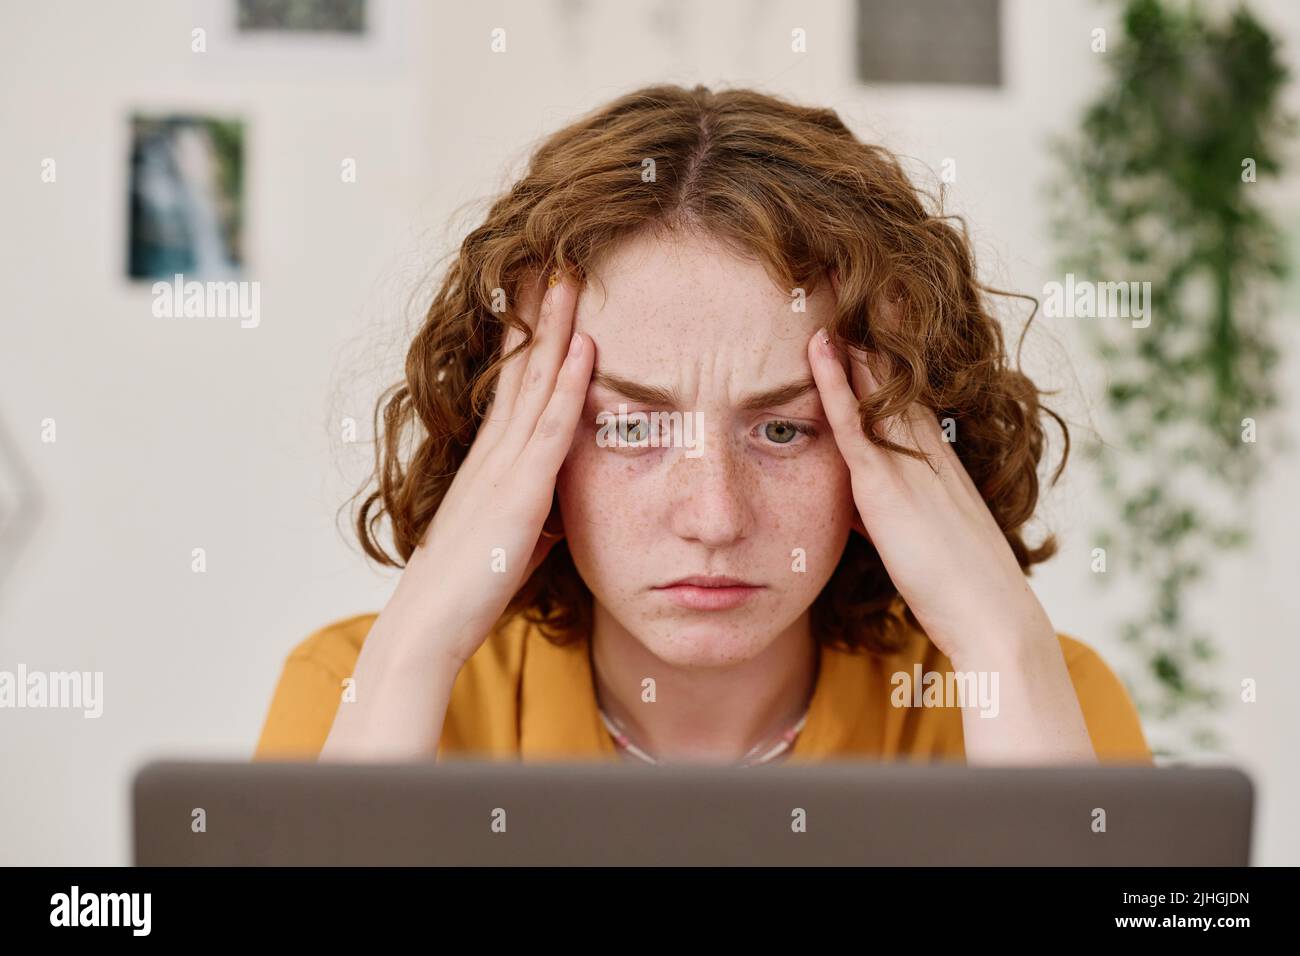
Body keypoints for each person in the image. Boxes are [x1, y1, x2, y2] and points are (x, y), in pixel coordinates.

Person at [254, 83, 1151, 767]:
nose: (715, 518)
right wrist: (411, 654)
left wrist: (1002, 648)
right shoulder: (354, 687)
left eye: (786, 431)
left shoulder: (1045, 691)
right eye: (629, 429)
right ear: (512, 446)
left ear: (901, 444)